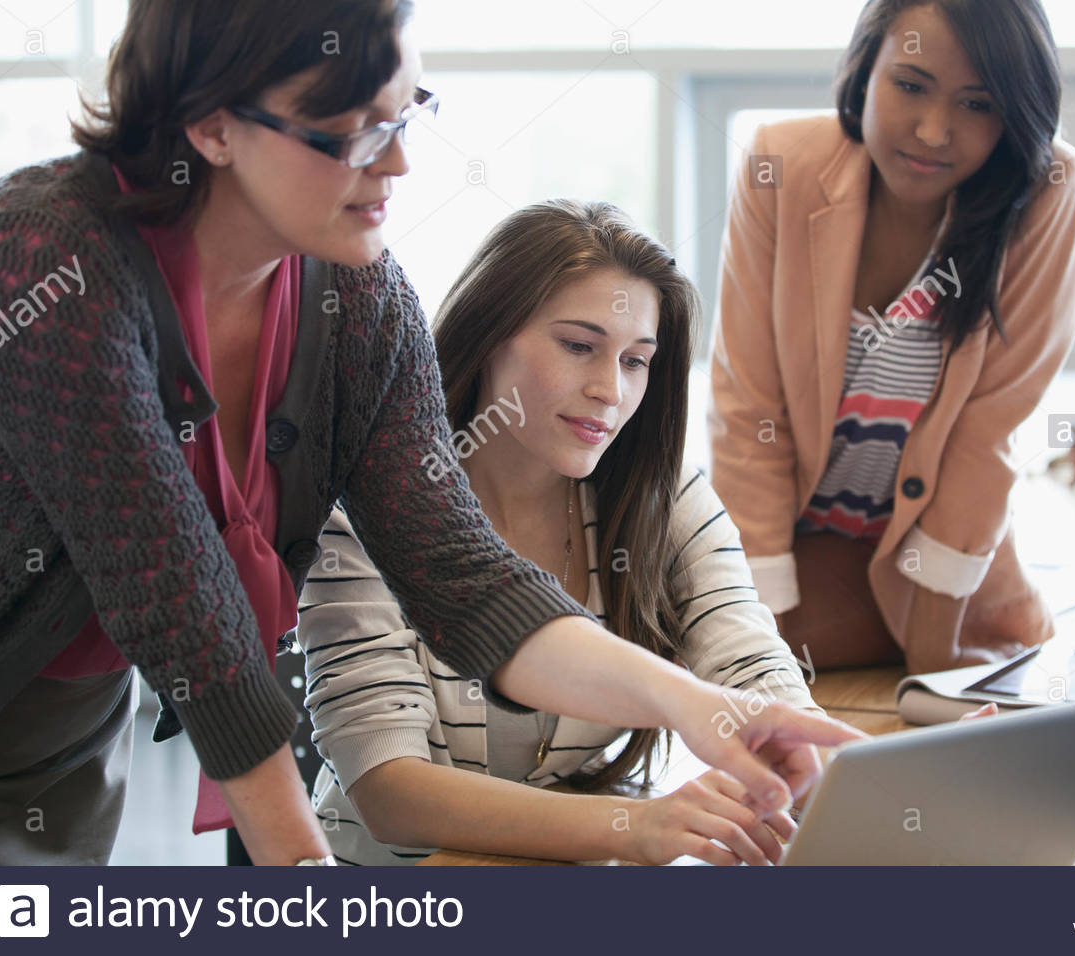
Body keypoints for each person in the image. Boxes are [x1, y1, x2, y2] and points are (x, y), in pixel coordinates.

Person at [0, 0, 859, 866]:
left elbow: (462, 576)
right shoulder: (45, 261)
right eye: (353, 129)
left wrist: (704, 709)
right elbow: (176, 594)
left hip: (57, 723)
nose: (396, 167)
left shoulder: (357, 298)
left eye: (405, 116)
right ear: (212, 125)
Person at [299, 201, 826, 866]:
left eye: (636, 361)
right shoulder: (367, 508)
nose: (610, 389)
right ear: (488, 333)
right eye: (579, 346)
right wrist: (631, 826)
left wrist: (858, 767)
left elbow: (748, 666)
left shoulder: (666, 502)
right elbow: (388, 792)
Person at [709, 0, 1075, 676]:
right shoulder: (780, 163)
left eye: (978, 104)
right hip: (790, 539)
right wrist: (753, 655)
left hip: (927, 555)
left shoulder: (1049, 192)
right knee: (671, 638)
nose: (935, 130)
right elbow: (748, 413)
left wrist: (934, 675)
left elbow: (985, 437)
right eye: (910, 85)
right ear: (865, 68)